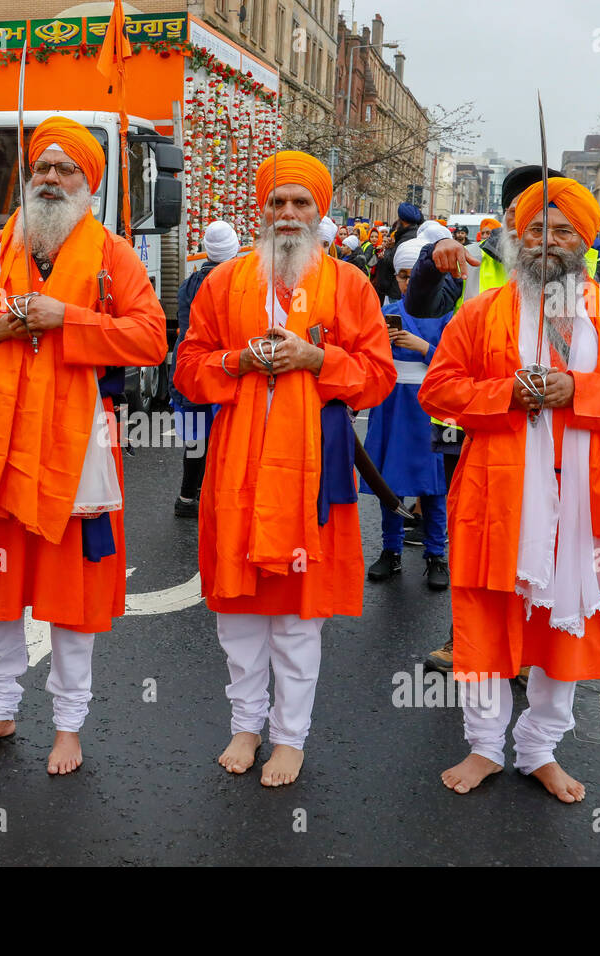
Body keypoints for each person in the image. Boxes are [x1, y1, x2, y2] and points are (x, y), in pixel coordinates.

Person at [418, 177, 600, 803]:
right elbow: (438, 389)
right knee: (485, 619)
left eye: (562, 230)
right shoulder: (481, 311)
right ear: (518, 237)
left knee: (568, 626)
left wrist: (580, 392)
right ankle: (484, 746)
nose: (547, 241)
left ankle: (538, 749)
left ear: (584, 240)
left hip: (586, 503)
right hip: (495, 497)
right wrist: (506, 392)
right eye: (536, 229)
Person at [0, 116, 166, 774]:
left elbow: (151, 338)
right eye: (42, 169)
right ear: (28, 181)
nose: (51, 179)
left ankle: (69, 727)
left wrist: (72, 319)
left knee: (71, 595)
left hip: (79, 456)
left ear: (88, 184)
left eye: (66, 170)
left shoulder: (113, 253)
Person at [176, 150, 396, 787]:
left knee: (299, 618)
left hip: (313, 472)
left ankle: (290, 738)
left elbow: (378, 376)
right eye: (278, 202)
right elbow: (188, 368)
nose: (290, 213)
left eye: (302, 203)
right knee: (239, 613)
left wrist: (315, 360)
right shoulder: (222, 281)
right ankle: (246, 725)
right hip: (236, 469)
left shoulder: (351, 284)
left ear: (319, 212)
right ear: (261, 211)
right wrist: (235, 363)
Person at [365, 236, 451, 590]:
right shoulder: (385, 313)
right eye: (401, 276)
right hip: (392, 405)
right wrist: (379, 346)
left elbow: (460, 364)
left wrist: (425, 348)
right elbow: (367, 358)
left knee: (435, 486)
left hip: (434, 406)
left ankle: (436, 554)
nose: (406, 282)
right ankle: (391, 551)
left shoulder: (448, 314)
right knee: (390, 482)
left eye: (412, 274)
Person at [170, 220, 238, 518]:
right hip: (224, 369)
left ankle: (187, 497)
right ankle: (215, 497)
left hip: (190, 368)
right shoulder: (236, 282)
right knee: (227, 438)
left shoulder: (189, 284)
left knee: (196, 438)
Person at [372, 202, 423, 303]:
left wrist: (385, 252)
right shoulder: (408, 235)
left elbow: (394, 262)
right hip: (395, 288)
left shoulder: (408, 237)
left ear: (402, 220)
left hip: (397, 290)